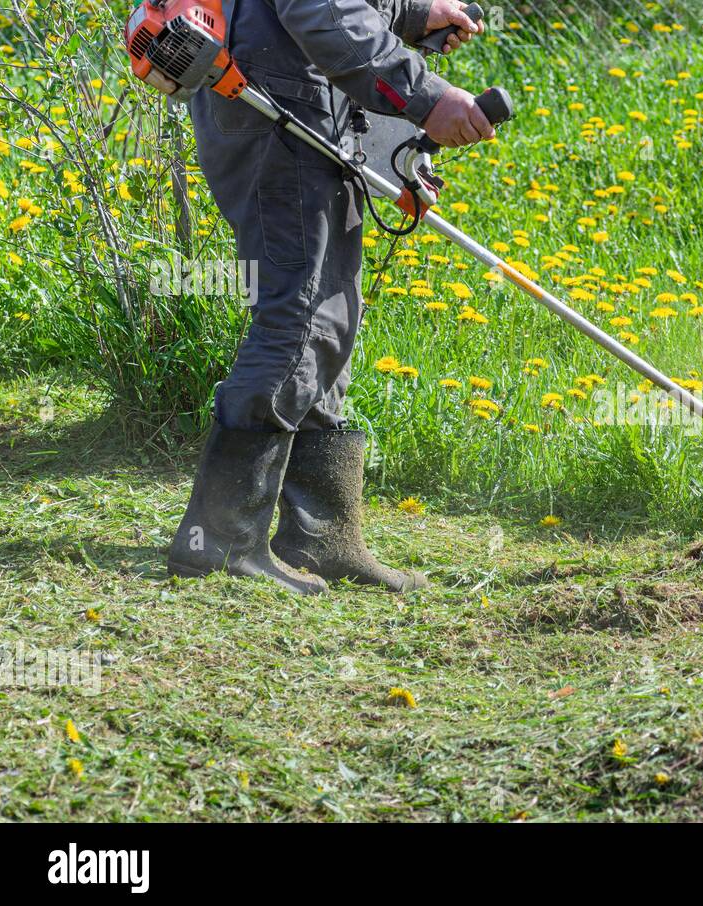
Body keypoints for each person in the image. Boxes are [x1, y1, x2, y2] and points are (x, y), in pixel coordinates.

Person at [169, 0, 493, 594]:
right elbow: (322, 9)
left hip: (303, 105)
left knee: (330, 315)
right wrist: (425, 96)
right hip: (278, 106)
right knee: (299, 318)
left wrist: (414, 14)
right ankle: (218, 539)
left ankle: (321, 537)